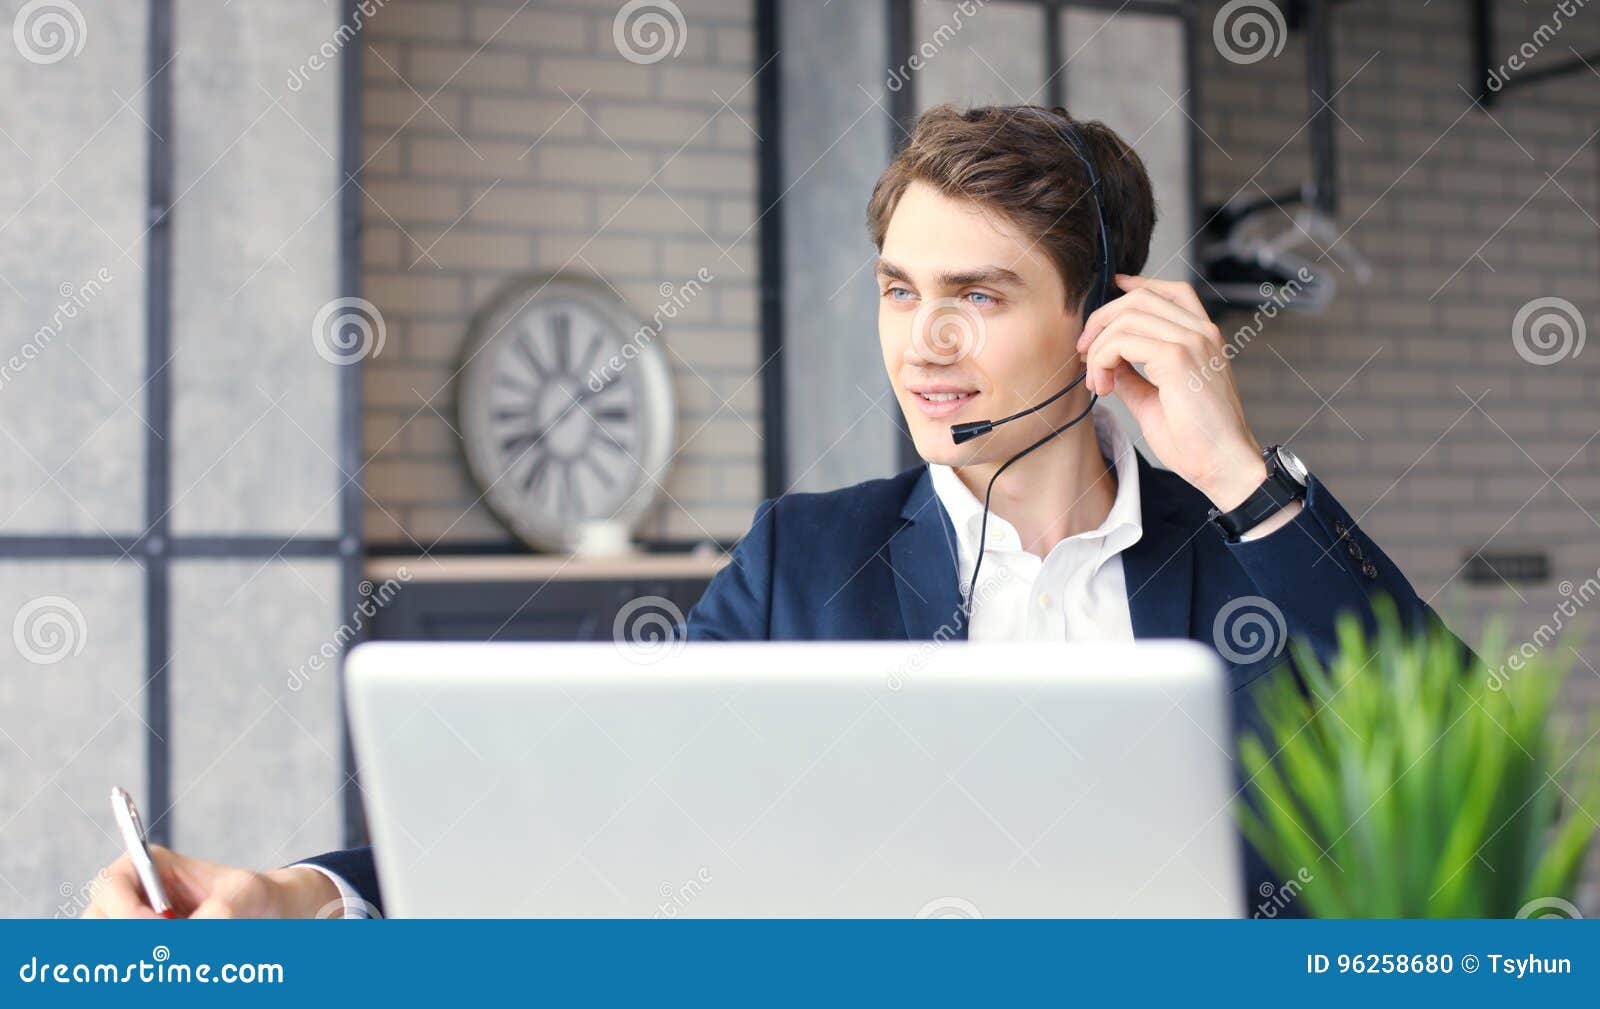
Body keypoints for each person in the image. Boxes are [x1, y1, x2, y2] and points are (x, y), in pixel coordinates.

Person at [82, 104, 1457, 919]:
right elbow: (594, 829)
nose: (923, 344)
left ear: (1102, 319)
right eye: (897, 289)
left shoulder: (1249, 541)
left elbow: (1479, 784)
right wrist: (306, 898)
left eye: (977, 296)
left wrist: (1238, 472)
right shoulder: (810, 556)